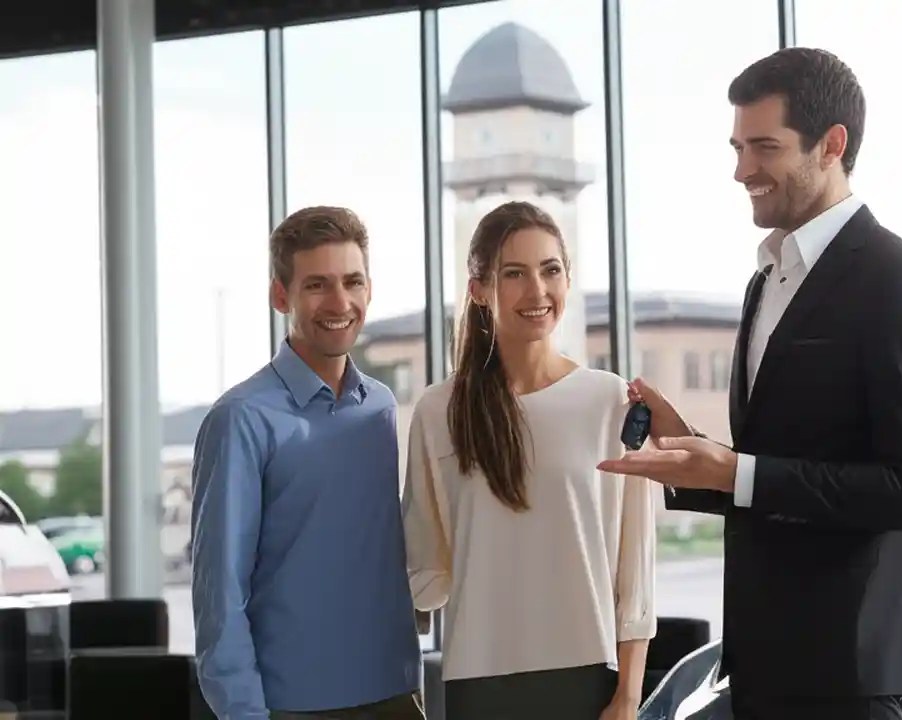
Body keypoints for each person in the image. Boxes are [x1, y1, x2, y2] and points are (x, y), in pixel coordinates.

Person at [598, 47, 902, 720]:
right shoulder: (765, 281)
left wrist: (735, 471)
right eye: (737, 146)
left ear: (832, 145)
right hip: (762, 665)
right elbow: (775, 469)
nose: (741, 170)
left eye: (763, 147)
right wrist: (692, 452)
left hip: (846, 672)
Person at [400, 200, 657, 720]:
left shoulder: (610, 402)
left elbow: (635, 571)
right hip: (479, 680)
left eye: (550, 270)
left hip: (590, 676)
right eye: (513, 273)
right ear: (478, 290)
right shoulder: (437, 412)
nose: (537, 291)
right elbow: (425, 573)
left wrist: (628, 696)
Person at [191, 206, 424, 720]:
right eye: (317, 285)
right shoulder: (241, 418)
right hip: (292, 706)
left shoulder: (381, 407)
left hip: (394, 694)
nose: (340, 302)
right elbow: (218, 596)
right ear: (281, 295)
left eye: (353, 282)